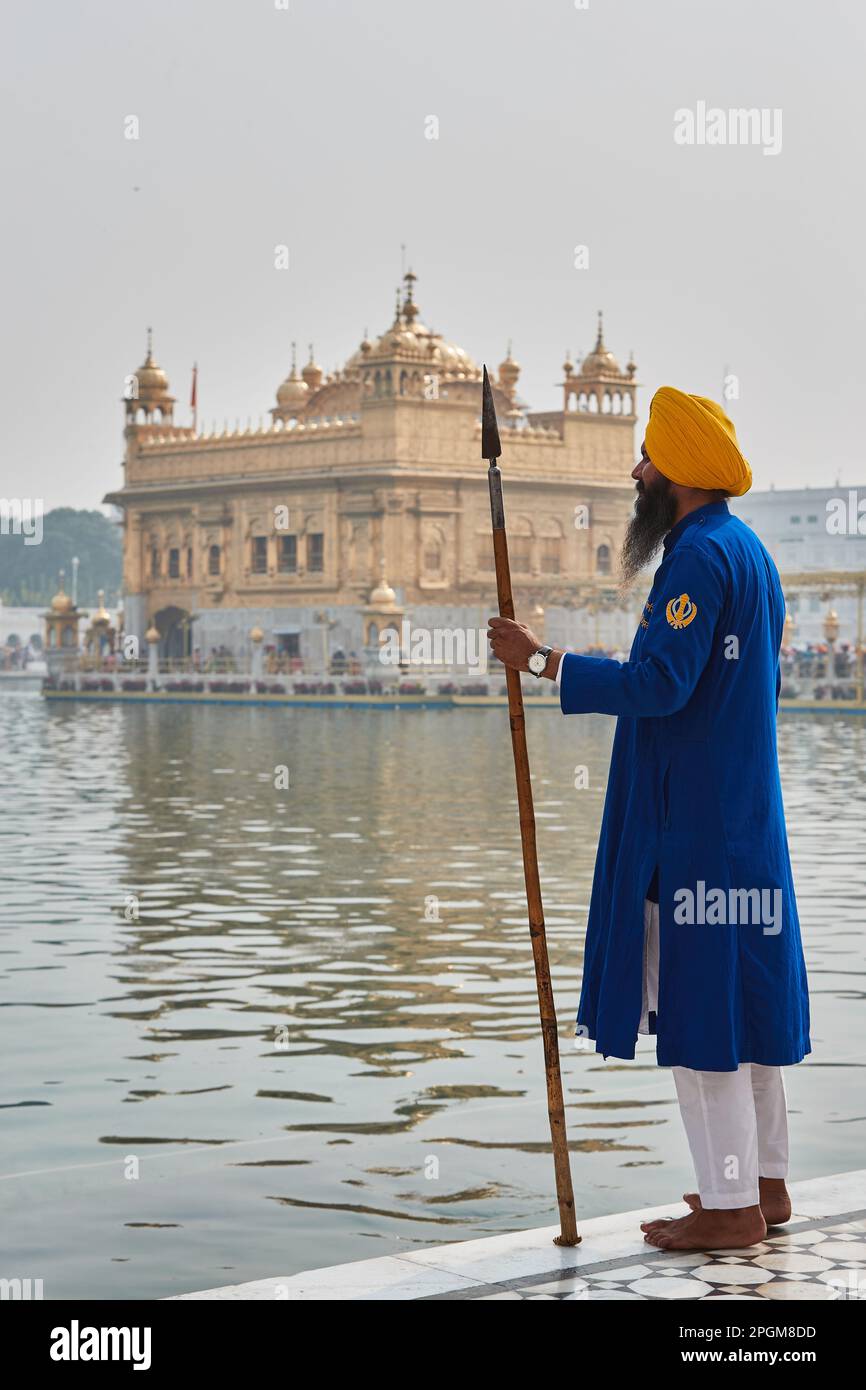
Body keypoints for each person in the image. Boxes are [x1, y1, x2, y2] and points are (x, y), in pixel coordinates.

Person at [488, 386, 810, 1252]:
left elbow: (661, 685)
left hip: (696, 832)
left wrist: (544, 660)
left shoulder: (699, 560)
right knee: (745, 1017)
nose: (636, 472)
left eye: (648, 458)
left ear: (680, 473)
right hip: (742, 823)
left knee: (704, 1023)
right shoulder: (749, 552)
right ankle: (765, 1188)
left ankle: (731, 1208)